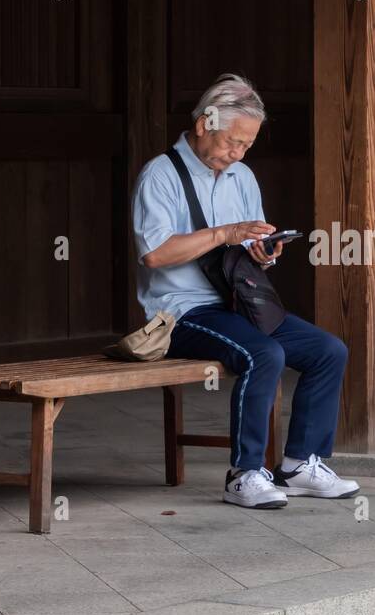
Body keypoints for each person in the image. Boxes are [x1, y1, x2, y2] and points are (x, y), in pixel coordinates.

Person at [133, 74, 359, 509]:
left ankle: (298, 465)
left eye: (246, 146)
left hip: (240, 305)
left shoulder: (242, 176)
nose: (237, 154)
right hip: (182, 313)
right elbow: (155, 255)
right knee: (264, 354)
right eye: (231, 143)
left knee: (328, 350)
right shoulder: (159, 175)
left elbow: (247, 246)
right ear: (204, 124)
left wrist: (264, 252)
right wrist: (225, 232)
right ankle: (245, 473)